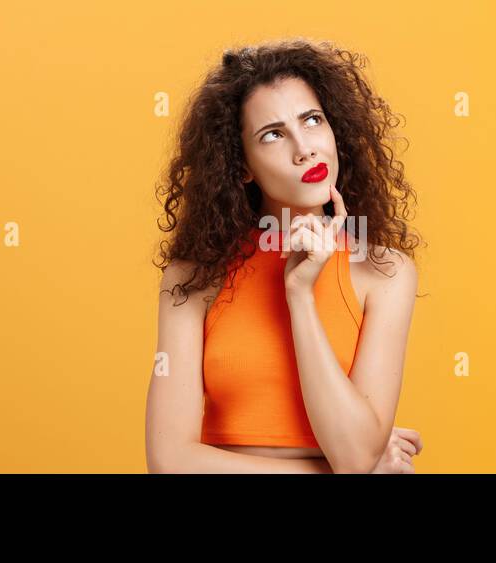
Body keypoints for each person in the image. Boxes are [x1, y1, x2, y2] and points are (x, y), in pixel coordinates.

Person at [145, 38, 423, 473]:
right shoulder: (194, 277)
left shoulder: (385, 272)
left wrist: (299, 294)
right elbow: (170, 461)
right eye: (272, 134)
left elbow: (353, 455)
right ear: (242, 167)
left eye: (312, 120)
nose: (304, 148)